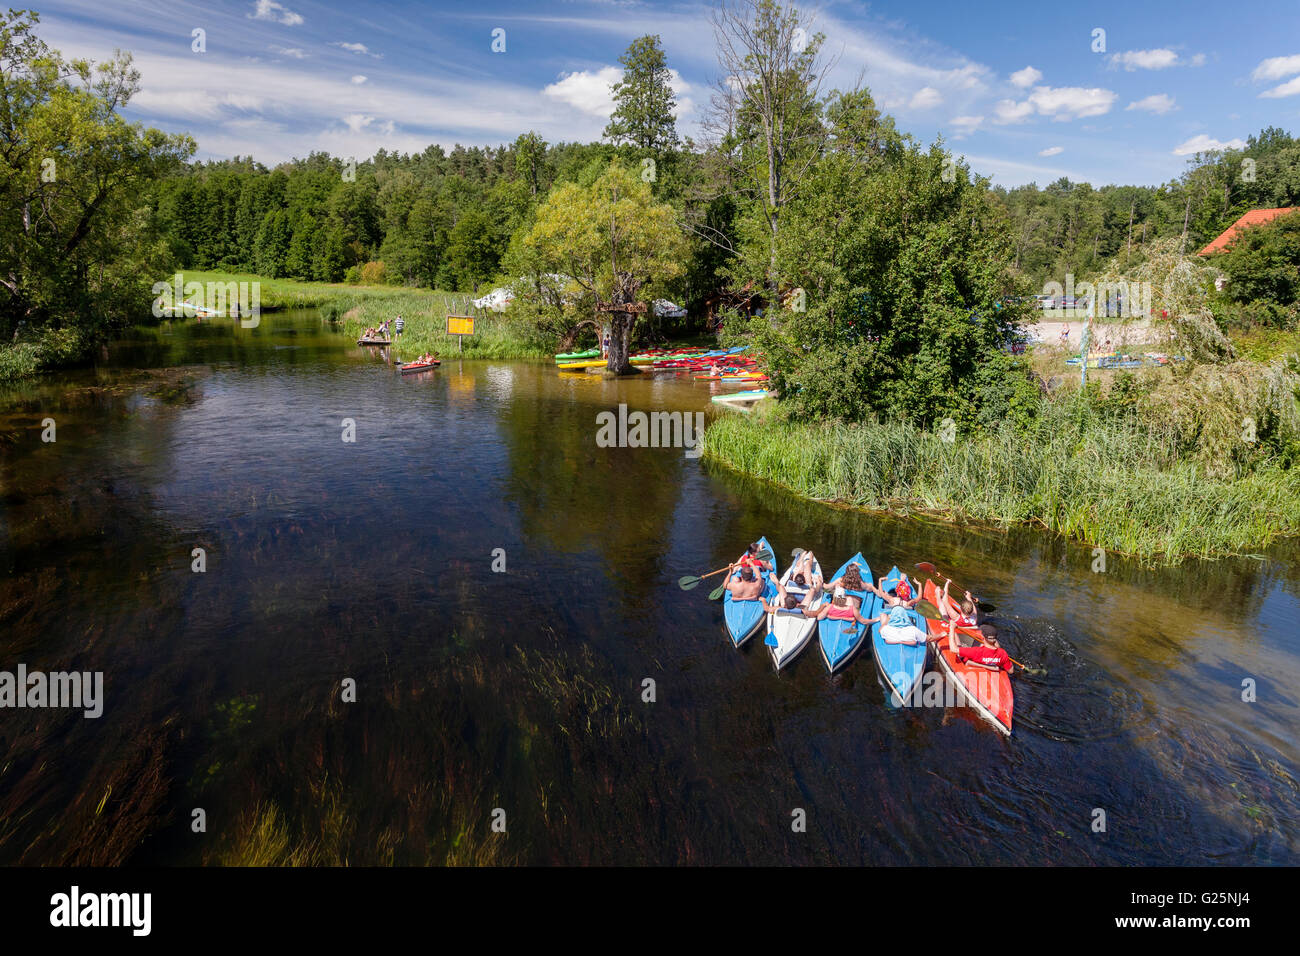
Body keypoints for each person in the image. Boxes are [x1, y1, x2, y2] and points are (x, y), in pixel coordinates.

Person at [947, 621, 1013, 674]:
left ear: (983, 638)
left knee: (959, 647)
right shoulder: (1002, 653)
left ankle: (953, 633)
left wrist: (952, 628)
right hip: (990, 668)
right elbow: (1011, 671)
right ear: (995, 640)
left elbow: (953, 649)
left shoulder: (976, 651)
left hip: (972, 669)